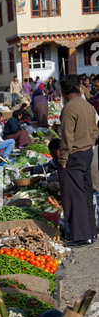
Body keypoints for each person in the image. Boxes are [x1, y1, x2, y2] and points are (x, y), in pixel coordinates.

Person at [58, 74, 98, 247]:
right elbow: (96, 131)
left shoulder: (69, 108)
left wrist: (63, 159)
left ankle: (81, 236)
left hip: (74, 155)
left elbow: (67, 138)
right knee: (86, 193)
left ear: (64, 91)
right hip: (88, 152)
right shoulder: (87, 106)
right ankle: (91, 233)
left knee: (75, 196)